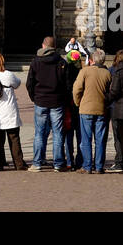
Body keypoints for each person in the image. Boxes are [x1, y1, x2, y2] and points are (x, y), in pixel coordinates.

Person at [25, 36, 71, 171]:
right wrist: (63, 98)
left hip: (40, 101)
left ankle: (37, 162)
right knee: (57, 133)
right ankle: (58, 163)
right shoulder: (62, 62)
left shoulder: (35, 62)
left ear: (43, 46)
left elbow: (30, 83)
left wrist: (34, 98)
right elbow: (68, 85)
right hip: (57, 102)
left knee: (39, 132)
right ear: (54, 47)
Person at [73, 48, 111, 175]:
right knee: (100, 140)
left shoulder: (85, 71)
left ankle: (87, 165)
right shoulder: (107, 73)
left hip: (86, 108)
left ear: (92, 60)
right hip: (101, 109)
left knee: (86, 139)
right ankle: (99, 166)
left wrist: (78, 103)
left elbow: (77, 89)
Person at [62, 48, 85, 170]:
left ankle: (69, 161)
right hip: (80, 106)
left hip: (68, 106)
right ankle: (80, 160)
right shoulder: (82, 72)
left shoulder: (65, 71)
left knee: (68, 135)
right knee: (81, 135)